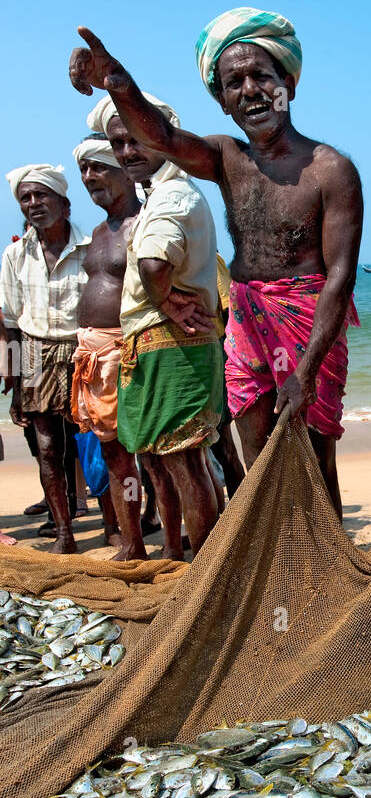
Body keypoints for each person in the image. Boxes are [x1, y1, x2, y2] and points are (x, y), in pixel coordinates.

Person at [69, 10, 362, 517]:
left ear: (288, 84)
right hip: (247, 319)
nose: (250, 90)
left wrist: (307, 370)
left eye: (262, 77)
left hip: (308, 320)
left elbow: (339, 277)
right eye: (234, 83)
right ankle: (277, 564)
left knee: (314, 454)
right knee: (257, 449)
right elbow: (160, 136)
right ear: (223, 102)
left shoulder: (330, 170)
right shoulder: (227, 157)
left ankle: (331, 572)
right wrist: (117, 83)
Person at [83, 92, 223, 557]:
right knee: (169, 461)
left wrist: (167, 303)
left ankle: (205, 573)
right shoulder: (161, 194)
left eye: (136, 138)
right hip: (158, 346)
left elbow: (153, 264)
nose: (127, 152)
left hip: (173, 347)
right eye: (118, 144)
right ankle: (186, 561)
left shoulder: (173, 195)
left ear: (161, 136)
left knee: (184, 462)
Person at [0, 165, 90, 553]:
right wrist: (14, 373)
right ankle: (64, 531)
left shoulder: (92, 247)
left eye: (42, 195)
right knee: (48, 446)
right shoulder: (15, 253)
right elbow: (9, 320)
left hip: (83, 347)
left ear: (65, 205)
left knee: (97, 442)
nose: (34, 203)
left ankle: (120, 528)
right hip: (33, 350)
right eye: (26, 197)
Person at [71, 135, 149, 559]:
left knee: (153, 453)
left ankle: (176, 545)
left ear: (124, 170)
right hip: (92, 354)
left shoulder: (147, 220)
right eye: (83, 170)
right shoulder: (100, 232)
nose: (88, 177)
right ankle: (132, 542)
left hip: (132, 349)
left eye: (97, 167)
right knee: (113, 453)